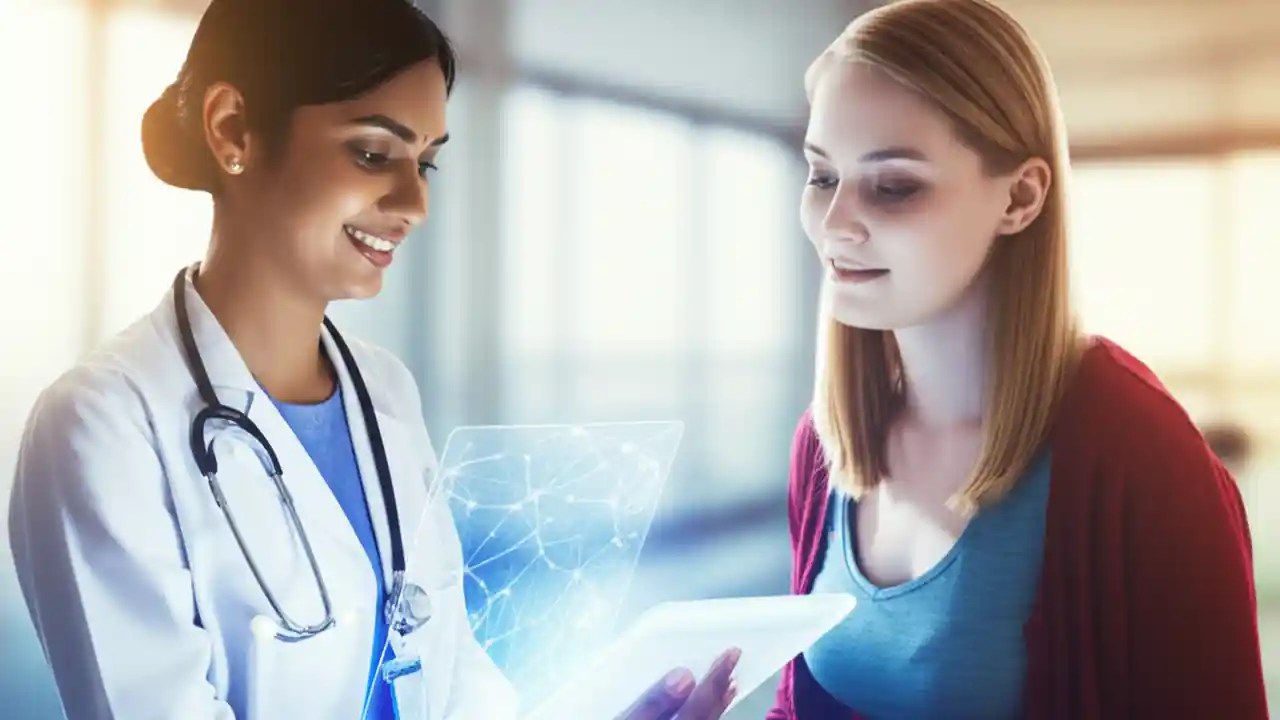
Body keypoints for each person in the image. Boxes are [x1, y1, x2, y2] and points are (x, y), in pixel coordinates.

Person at [6, 1, 739, 718]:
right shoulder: (104, 424)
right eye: (372, 152)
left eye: (426, 163)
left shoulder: (385, 390)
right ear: (232, 128)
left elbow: (449, 675)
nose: (415, 202)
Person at [768, 0, 1269, 718]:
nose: (836, 222)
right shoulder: (824, 445)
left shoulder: (1141, 456)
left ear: (1022, 197)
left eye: (895, 185)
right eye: (822, 177)